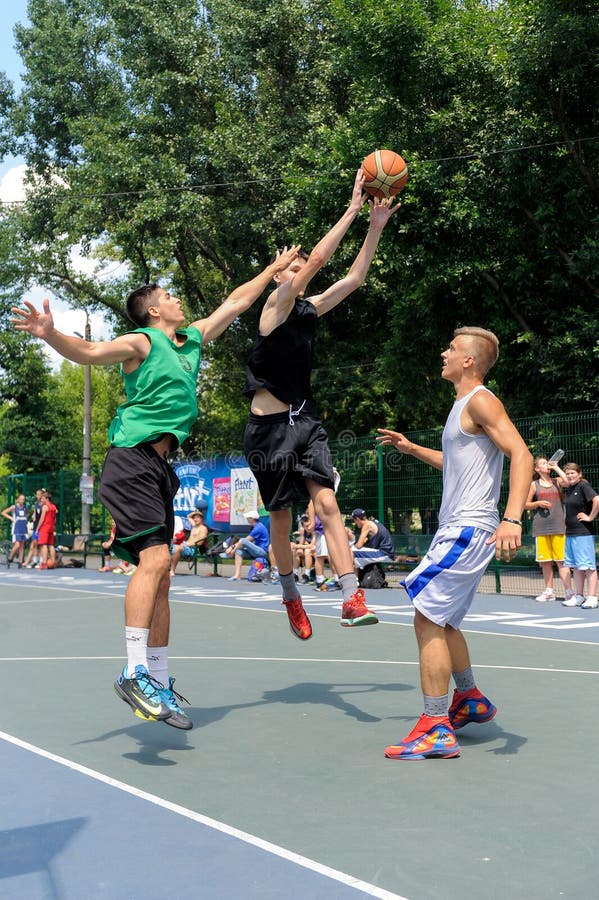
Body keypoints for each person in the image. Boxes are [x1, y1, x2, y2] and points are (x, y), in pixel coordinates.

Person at [11, 245, 300, 731]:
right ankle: (134, 671)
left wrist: (272, 268)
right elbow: (89, 352)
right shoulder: (142, 342)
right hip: (131, 459)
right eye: (169, 296)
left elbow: (236, 302)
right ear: (153, 310)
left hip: (160, 466)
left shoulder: (191, 340)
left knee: (163, 573)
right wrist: (51, 334)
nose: (177, 299)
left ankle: (159, 681)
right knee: (156, 561)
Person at [243, 173, 399, 639]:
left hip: (305, 421)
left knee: (328, 503)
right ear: (278, 277)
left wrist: (375, 226)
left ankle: (351, 596)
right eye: (292, 267)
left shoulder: (307, 309)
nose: (300, 268)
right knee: (281, 518)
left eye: (300, 266)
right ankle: (291, 593)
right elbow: (320, 260)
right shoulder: (273, 307)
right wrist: (352, 207)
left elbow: (354, 278)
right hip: (267, 431)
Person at [377, 326, 532, 760]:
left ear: (469, 360)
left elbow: (521, 454)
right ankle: (469, 698)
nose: (443, 353)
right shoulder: (463, 407)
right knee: (442, 621)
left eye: (451, 348)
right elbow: (457, 463)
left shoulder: (482, 399)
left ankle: (435, 727)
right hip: (462, 528)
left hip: (468, 528)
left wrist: (512, 518)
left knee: (425, 615)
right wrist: (412, 448)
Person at [524, 456, 573, 602]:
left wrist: (556, 466)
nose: (547, 465)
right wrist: (538, 503)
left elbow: (568, 482)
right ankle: (549, 591)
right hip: (541, 527)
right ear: (537, 468)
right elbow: (525, 504)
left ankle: (569, 592)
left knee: (561, 561)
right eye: (543, 463)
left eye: (547, 463)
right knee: (545, 562)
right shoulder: (534, 485)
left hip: (558, 526)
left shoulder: (557, 481)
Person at [560, 462, 599, 609]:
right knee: (576, 567)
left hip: (583, 533)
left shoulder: (583, 486)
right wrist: (556, 467)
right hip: (570, 533)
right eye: (568, 473)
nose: (569, 476)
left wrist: (590, 517)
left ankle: (592, 598)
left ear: (580, 474)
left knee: (588, 566)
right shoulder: (572, 488)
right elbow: (566, 479)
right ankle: (579, 596)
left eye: (573, 473)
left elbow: (597, 500)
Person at [350, 508, 394, 581]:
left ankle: (355, 580)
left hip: (384, 553)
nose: (354, 523)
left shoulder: (367, 525)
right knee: (355, 553)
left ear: (357, 519)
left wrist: (361, 542)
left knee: (351, 551)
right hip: (386, 552)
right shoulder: (373, 522)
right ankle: (356, 578)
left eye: (354, 520)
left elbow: (359, 546)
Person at [225, 510, 270, 580]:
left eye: (248, 518)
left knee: (243, 540)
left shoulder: (258, 527)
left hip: (262, 552)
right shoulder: (256, 526)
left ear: (252, 519)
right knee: (239, 552)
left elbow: (245, 540)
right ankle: (237, 575)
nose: (247, 519)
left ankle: (231, 554)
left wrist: (231, 548)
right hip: (255, 551)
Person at [170, 510, 209, 576]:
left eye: (198, 517)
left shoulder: (203, 528)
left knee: (178, 548)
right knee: (168, 546)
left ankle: (172, 570)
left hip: (194, 549)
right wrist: (196, 512)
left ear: (201, 519)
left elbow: (200, 542)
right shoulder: (194, 526)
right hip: (186, 546)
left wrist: (186, 544)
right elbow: (188, 516)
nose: (195, 519)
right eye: (194, 518)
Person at [1, 494, 29, 567]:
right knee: (17, 545)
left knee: (22, 545)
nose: (22, 501)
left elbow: (27, 514)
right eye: (21, 499)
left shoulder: (25, 507)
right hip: (16, 527)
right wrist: (11, 518)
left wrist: (25, 519)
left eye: (23, 499)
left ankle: (20, 562)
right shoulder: (14, 507)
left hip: (23, 527)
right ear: (18, 499)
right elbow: (3, 512)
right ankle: (10, 557)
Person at [23, 488, 45, 568]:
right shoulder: (36, 504)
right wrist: (33, 516)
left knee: (41, 545)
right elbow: (35, 513)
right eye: (36, 494)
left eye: (39, 494)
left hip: (42, 527)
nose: (37, 496)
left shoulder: (44, 505)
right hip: (35, 526)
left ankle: (41, 561)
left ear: (42, 495)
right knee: (34, 543)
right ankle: (35, 561)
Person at [37, 490, 58, 569]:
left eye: (42, 498)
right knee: (51, 545)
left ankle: (44, 563)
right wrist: (53, 525)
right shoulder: (53, 506)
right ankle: (53, 562)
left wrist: (37, 528)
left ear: (47, 499)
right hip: (51, 527)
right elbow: (55, 519)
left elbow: (42, 519)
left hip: (45, 527)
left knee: (43, 545)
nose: (41, 500)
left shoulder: (45, 507)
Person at [292, 514, 315, 584]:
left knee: (307, 551)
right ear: (303, 527)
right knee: (297, 551)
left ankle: (306, 575)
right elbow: (301, 544)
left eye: (309, 525)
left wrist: (297, 546)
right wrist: (294, 546)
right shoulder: (303, 531)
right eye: (306, 526)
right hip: (309, 548)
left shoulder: (314, 530)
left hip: (318, 549)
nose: (309, 527)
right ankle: (295, 574)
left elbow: (312, 545)